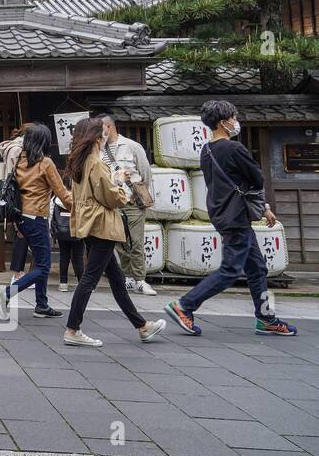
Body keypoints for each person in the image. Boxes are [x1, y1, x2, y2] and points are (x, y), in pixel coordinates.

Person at [165, 101, 297, 338]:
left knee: (257, 268)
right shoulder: (235, 149)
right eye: (234, 116)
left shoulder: (206, 151)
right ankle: (185, 305)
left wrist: (263, 208)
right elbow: (256, 179)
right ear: (223, 121)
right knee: (230, 269)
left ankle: (266, 318)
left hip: (222, 213)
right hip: (236, 217)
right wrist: (264, 206)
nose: (236, 120)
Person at [60, 117, 166, 347]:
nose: (106, 135)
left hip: (88, 224)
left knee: (116, 279)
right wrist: (120, 184)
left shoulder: (79, 162)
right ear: (97, 137)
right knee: (89, 279)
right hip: (102, 225)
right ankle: (72, 329)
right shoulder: (96, 163)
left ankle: (142, 326)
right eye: (103, 133)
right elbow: (112, 197)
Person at [2, 123, 71, 318]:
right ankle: (8, 293)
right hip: (37, 217)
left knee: (41, 262)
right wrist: (82, 208)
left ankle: (42, 304)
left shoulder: (19, 162)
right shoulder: (45, 163)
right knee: (44, 266)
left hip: (22, 217)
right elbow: (62, 193)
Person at [98, 114, 156, 295]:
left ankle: (140, 279)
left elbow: (145, 173)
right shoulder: (99, 150)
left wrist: (140, 194)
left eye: (100, 129)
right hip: (113, 202)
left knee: (136, 241)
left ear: (109, 127)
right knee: (120, 241)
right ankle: (129, 277)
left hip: (132, 201)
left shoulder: (131, 146)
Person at [0, 123, 33, 280]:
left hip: (14, 193)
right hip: (19, 192)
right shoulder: (18, 150)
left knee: (21, 232)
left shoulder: (13, 147)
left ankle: (19, 272)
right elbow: (19, 174)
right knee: (22, 232)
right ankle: (18, 273)